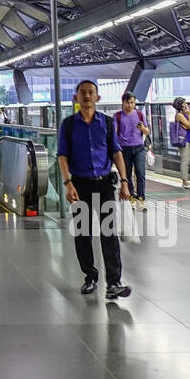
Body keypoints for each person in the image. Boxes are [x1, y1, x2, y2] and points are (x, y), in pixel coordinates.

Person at [57, 80, 133, 300]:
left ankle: (114, 282)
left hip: (104, 184)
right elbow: (62, 155)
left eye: (91, 93)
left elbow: (117, 153)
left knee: (109, 233)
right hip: (79, 185)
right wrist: (67, 183)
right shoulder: (69, 125)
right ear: (76, 98)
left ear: (98, 98)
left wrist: (125, 181)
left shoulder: (108, 123)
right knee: (83, 233)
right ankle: (90, 277)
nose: (87, 96)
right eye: (83, 93)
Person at [115, 93, 150, 211]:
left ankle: (141, 199)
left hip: (139, 147)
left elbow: (147, 132)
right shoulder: (118, 116)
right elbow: (114, 133)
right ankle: (132, 198)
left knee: (140, 173)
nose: (130, 105)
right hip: (124, 149)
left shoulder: (139, 114)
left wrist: (142, 128)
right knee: (127, 174)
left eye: (132, 103)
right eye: (128, 102)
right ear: (123, 103)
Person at [169, 97, 190, 189]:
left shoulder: (184, 114)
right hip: (183, 140)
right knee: (185, 160)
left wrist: (189, 121)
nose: (187, 104)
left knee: (186, 159)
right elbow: (189, 125)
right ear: (181, 105)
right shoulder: (180, 115)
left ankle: (185, 180)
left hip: (188, 139)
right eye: (185, 103)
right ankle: (185, 182)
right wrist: (189, 116)